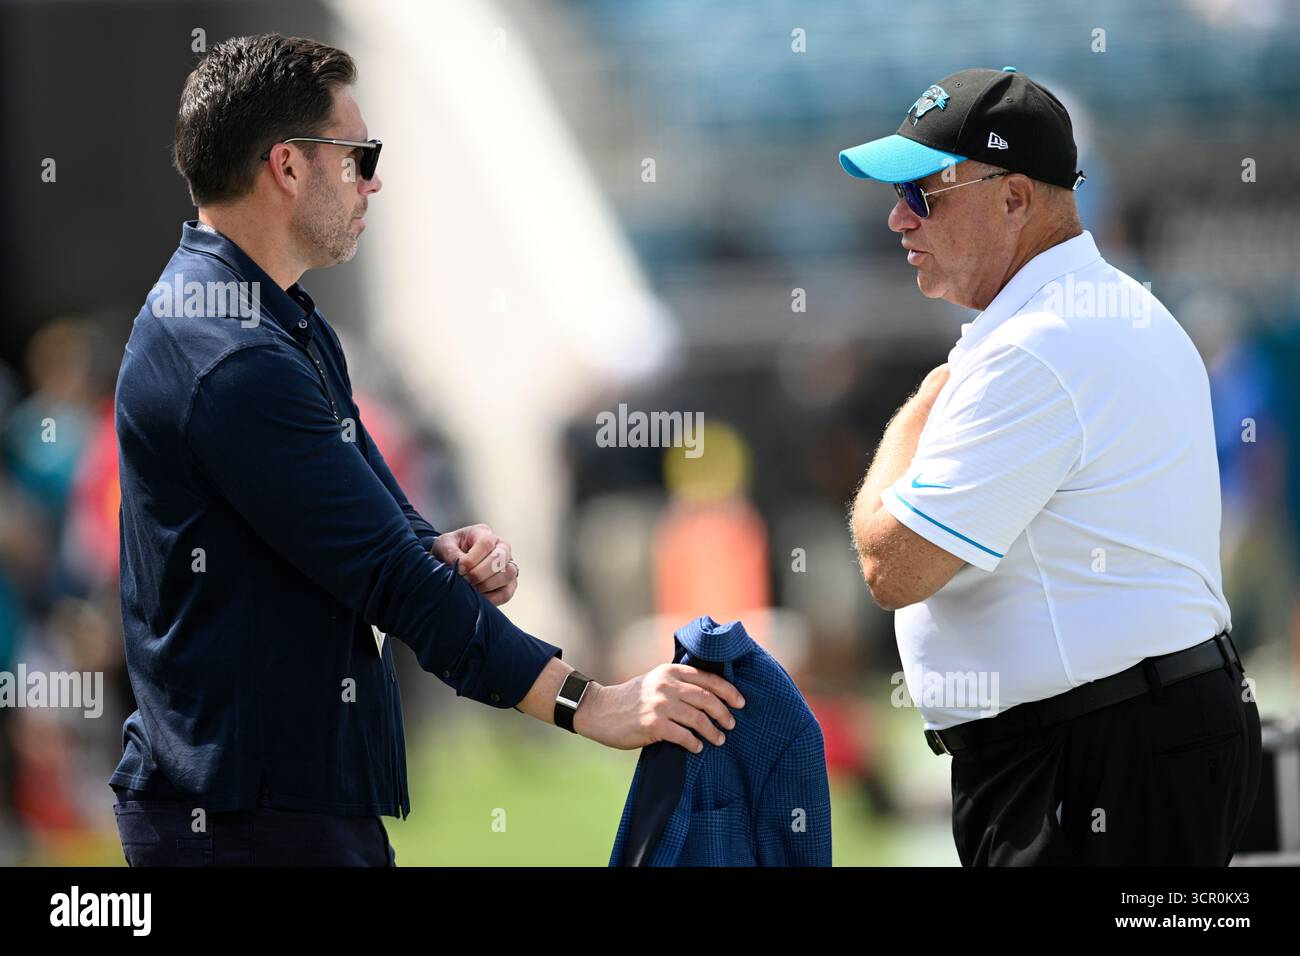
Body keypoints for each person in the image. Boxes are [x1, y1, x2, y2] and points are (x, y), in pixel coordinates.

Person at [111, 33, 742, 866]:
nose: (373, 179)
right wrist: (586, 702)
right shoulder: (232, 351)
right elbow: (390, 579)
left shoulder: (274, 317)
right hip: (241, 819)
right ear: (289, 167)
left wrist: (439, 548)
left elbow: (386, 531)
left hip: (270, 799)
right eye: (358, 153)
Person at [840, 67, 1260, 865]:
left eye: (924, 190)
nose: (899, 217)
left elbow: (892, 563)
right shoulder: (1102, 311)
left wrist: (923, 402)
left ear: (1013, 197)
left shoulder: (1039, 347)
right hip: (1125, 738)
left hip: (1092, 755)